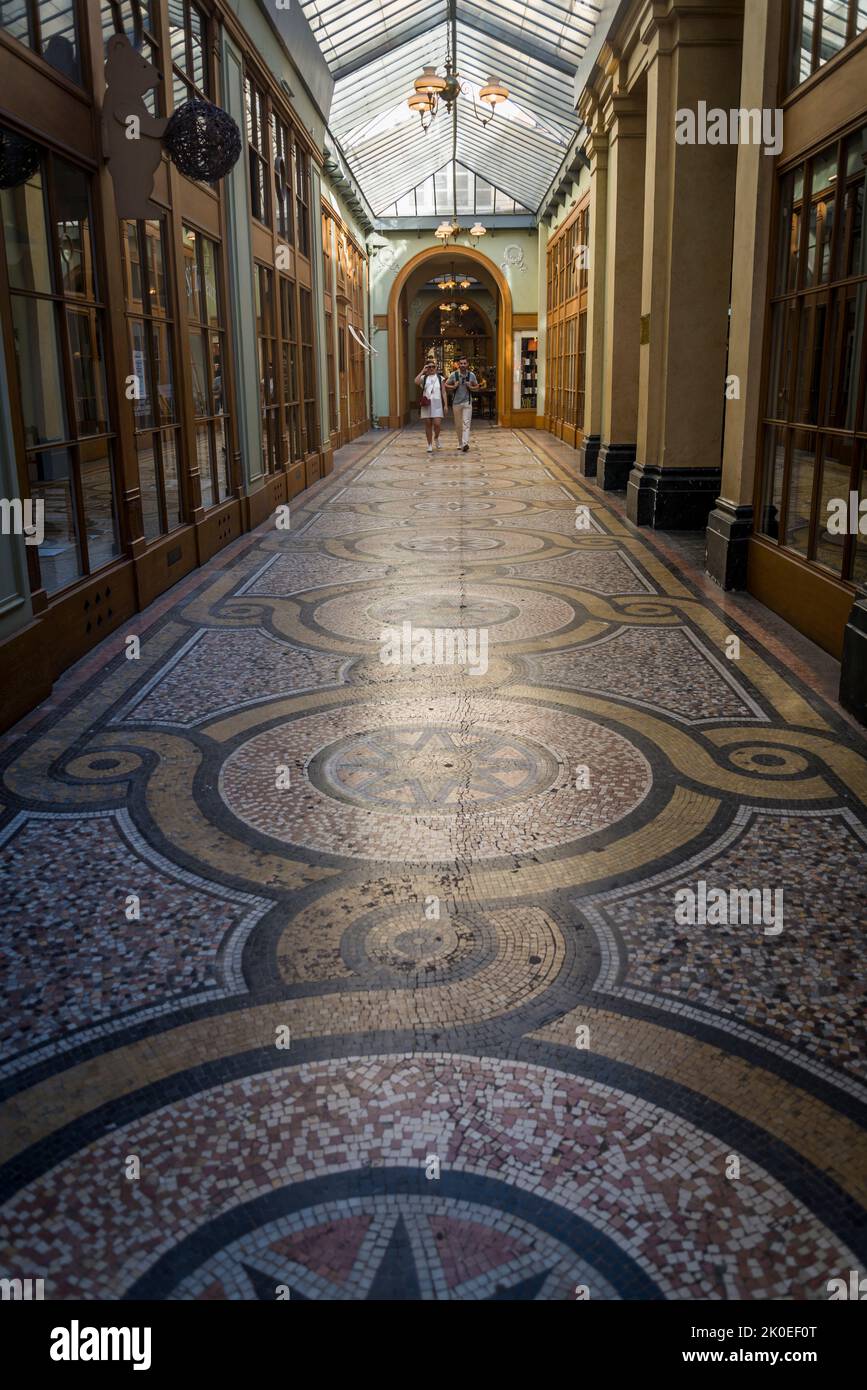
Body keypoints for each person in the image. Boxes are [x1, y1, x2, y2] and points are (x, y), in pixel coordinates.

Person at [445, 357, 479, 451]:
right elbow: (445, 385)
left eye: (465, 363)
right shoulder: (454, 374)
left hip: (467, 402)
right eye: (461, 363)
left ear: (468, 364)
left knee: (466, 423)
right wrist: (453, 386)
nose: (463, 365)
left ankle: (465, 443)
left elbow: (477, 386)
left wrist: (471, 387)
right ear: (458, 364)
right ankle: (460, 442)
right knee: (458, 424)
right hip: (456, 403)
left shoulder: (471, 375)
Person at [415, 356, 448, 452]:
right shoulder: (424, 378)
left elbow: (444, 392)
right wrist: (422, 371)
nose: (431, 368)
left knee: (437, 424)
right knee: (428, 424)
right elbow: (416, 381)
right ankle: (429, 444)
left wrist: (445, 405)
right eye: (429, 367)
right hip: (426, 404)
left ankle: (436, 437)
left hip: (437, 404)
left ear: (436, 367)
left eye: (433, 366)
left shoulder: (440, 378)